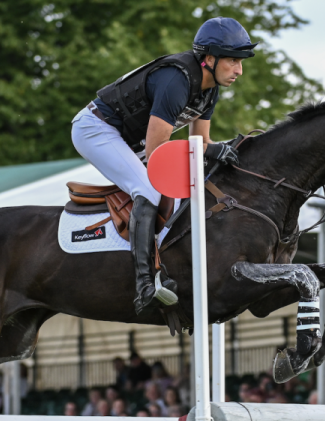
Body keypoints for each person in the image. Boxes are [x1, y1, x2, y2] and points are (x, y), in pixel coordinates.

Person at [72, 17, 254, 315]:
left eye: (240, 62)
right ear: (209, 58)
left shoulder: (210, 89)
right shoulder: (176, 81)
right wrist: (211, 151)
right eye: (233, 61)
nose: (239, 70)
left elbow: (201, 142)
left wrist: (224, 149)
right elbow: (157, 154)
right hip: (96, 129)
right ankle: (144, 284)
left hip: (130, 140)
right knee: (149, 189)